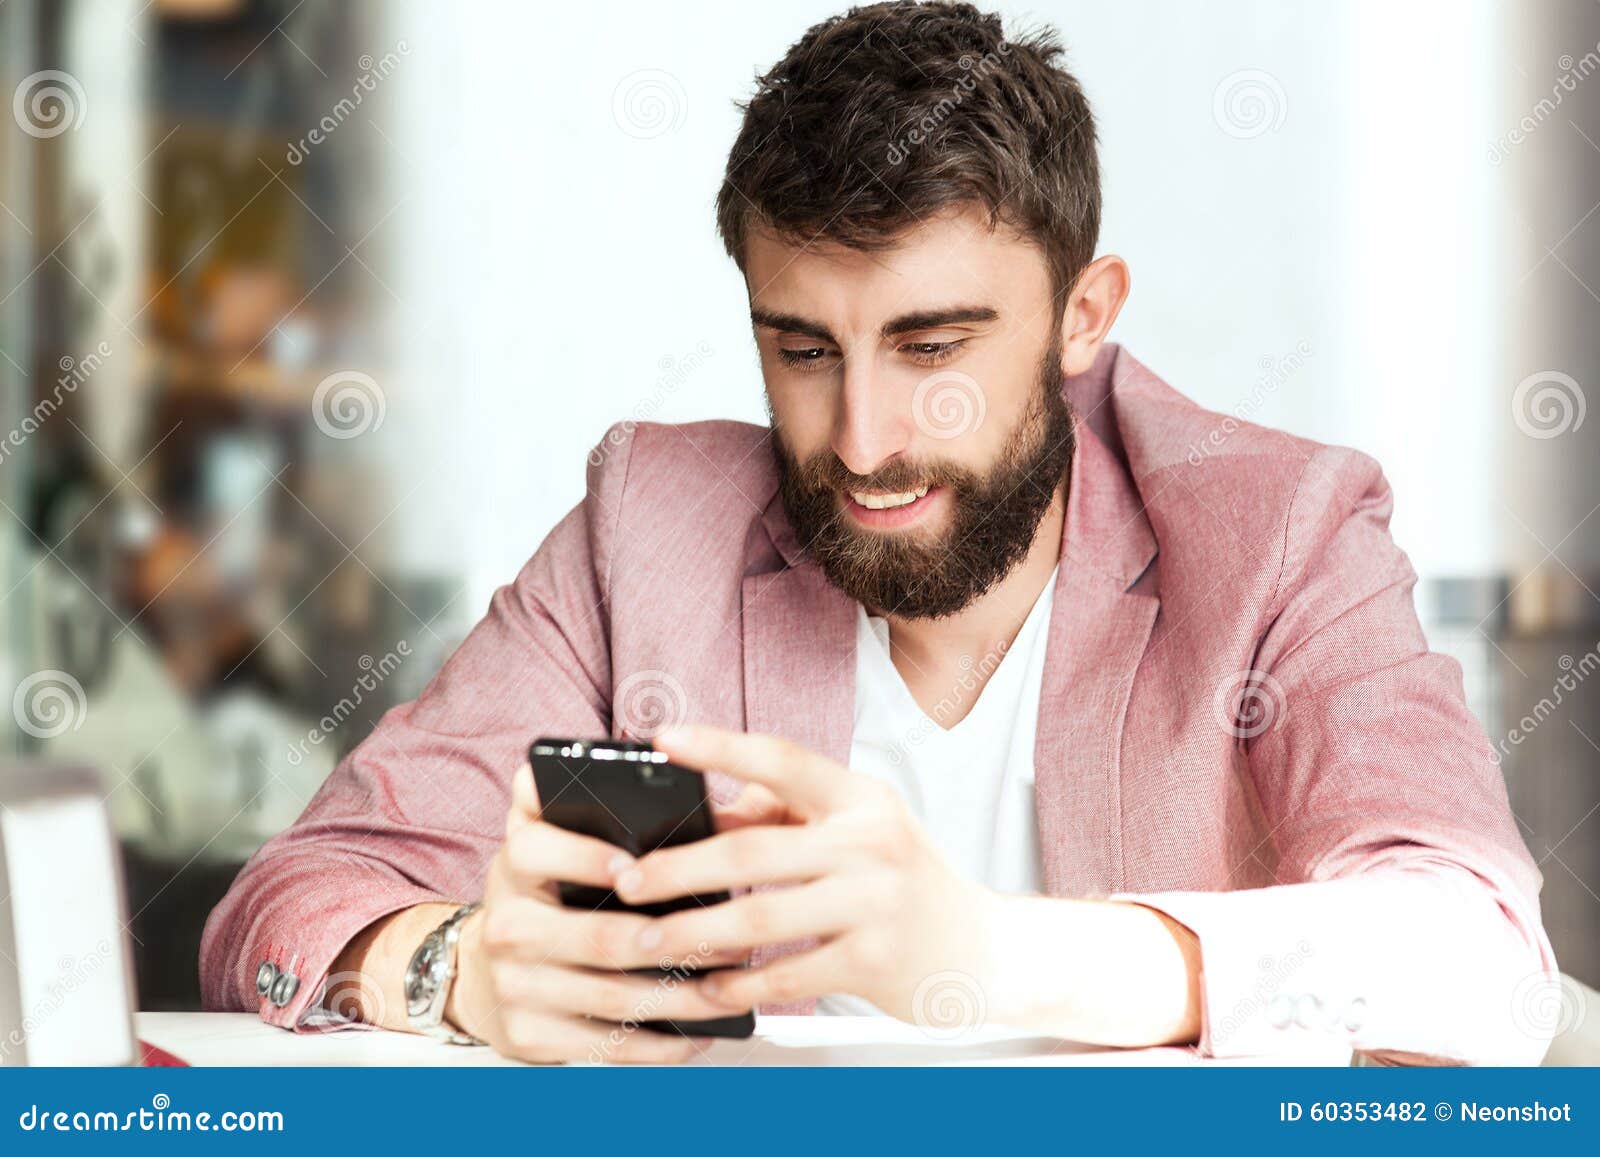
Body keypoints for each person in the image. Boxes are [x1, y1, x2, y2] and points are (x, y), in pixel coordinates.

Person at [202, 1, 1556, 1065]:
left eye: (933, 348)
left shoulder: (1279, 533)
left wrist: (981, 951)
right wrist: (460, 969)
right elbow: (288, 903)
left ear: (1083, 318)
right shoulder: (648, 527)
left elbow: (1483, 956)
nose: (859, 439)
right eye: (803, 349)